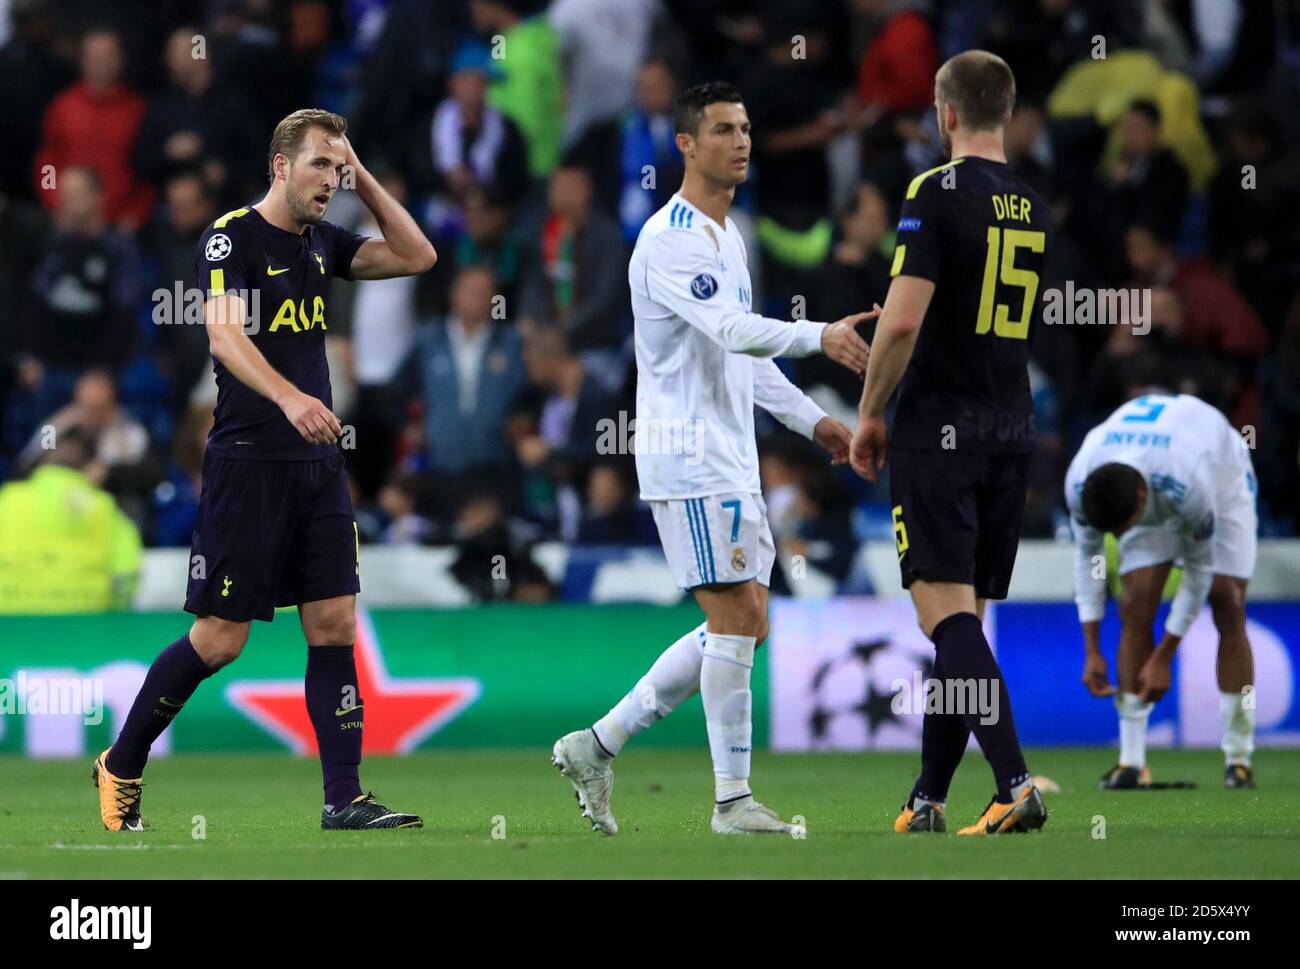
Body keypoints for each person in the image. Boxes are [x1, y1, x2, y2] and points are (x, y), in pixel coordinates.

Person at [91, 108, 437, 833]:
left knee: (335, 621)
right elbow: (224, 334)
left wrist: (363, 175)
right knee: (221, 639)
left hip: (316, 465)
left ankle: (344, 795)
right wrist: (289, 397)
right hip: (249, 460)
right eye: (320, 164)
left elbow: (417, 256)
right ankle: (121, 761)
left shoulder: (323, 242)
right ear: (280, 165)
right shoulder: (232, 237)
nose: (330, 180)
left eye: (337, 170)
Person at [551, 81, 872, 836]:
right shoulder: (670, 239)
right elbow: (733, 329)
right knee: (734, 616)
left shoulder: (729, 238)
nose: (742, 141)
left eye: (747, 128)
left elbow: (745, 360)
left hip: (732, 455)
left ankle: (597, 743)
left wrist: (814, 420)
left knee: (748, 623)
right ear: (687, 144)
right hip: (688, 454)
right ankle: (732, 801)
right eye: (723, 129)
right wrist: (820, 334)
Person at [849, 51, 1052, 836]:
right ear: (1005, 108)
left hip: (941, 431)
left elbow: (901, 321)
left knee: (946, 620)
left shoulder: (934, 193)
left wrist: (871, 412)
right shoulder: (1033, 205)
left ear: (946, 112)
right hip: (1010, 429)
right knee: (958, 622)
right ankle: (926, 797)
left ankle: (1013, 783)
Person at [1066, 394, 1257, 790]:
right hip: (1149, 473)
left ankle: (1238, 757)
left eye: (1124, 530)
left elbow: (1200, 571)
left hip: (1221, 474)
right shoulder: (1082, 481)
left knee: (1227, 603)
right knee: (1135, 603)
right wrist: (1091, 649)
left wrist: (1163, 656)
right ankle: (1131, 762)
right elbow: (1088, 559)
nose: (1120, 540)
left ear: (1140, 503)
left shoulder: (1189, 483)